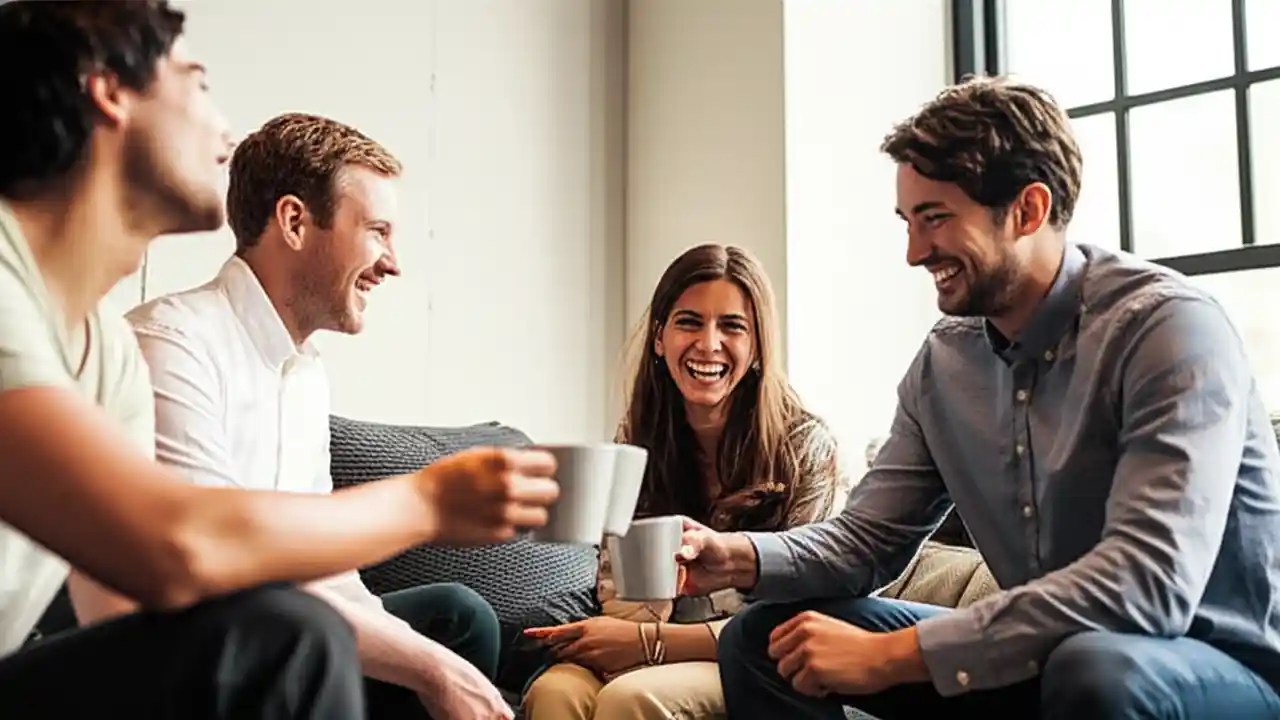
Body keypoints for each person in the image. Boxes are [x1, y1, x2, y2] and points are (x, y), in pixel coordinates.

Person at [0, 3, 558, 717]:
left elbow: (135, 607)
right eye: (197, 81)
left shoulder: (104, 352)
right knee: (290, 638)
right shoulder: (106, 319)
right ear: (108, 91)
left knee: (299, 635)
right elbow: (180, 547)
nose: (227, 132)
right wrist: (429, 501)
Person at [678, 77, 1280, 719]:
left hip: (1210, 667)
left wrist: (895, 656)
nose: (913, 253)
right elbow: (865, 543)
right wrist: (733, 557)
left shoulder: (1170, 330)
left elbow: (1146, 587)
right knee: (764, 639)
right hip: (1049, 657)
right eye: (908, 222)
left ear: (1027, 210)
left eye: (935, 219)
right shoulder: (946, 361)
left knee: (1097, 668)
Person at [61, 111, 513, 720]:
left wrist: (440, 666)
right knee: (343, 640)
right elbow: (213, 567)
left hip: (276, 614)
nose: (393, 262)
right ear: (295, 221)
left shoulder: (306, 372)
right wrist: (428, 668)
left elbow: (323, 570)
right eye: (377, 231)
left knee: (458, 619)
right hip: (185, 636)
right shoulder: (171, 343)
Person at [520, 244, 842, 719]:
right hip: (648, 635)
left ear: (757, 347)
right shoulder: (637, 441)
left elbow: (807, 613)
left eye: (732, 326)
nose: (708, 344)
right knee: (555, 692)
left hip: (754, 655)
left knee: (629, 700)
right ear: (659, 338)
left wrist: (649, 644)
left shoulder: (804, 447)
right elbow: (619, 586)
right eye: (689, 322)